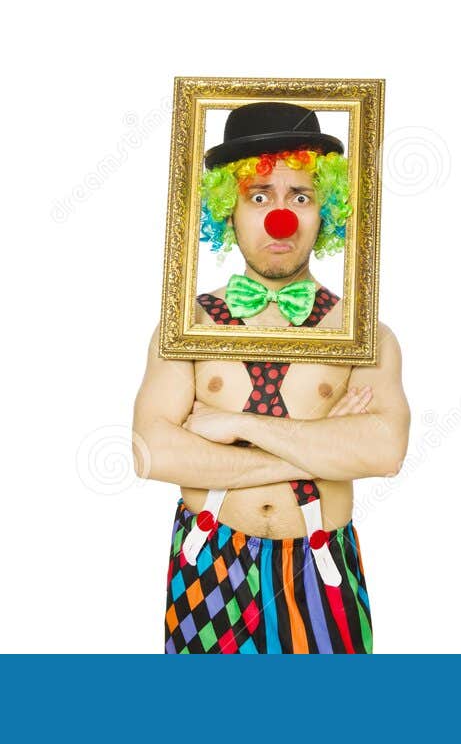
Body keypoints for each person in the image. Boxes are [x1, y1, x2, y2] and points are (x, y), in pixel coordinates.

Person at [133, 102, 410, 653]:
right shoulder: (185, 324)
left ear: (324, 210)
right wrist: (319, 446)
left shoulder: (363, 331)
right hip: (209, 560)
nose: (279, 217)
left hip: (320, 559)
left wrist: (235, 423)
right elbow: (150, 452)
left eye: (300, 197)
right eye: (259, 196)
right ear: (227, 210)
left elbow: (385, 452)